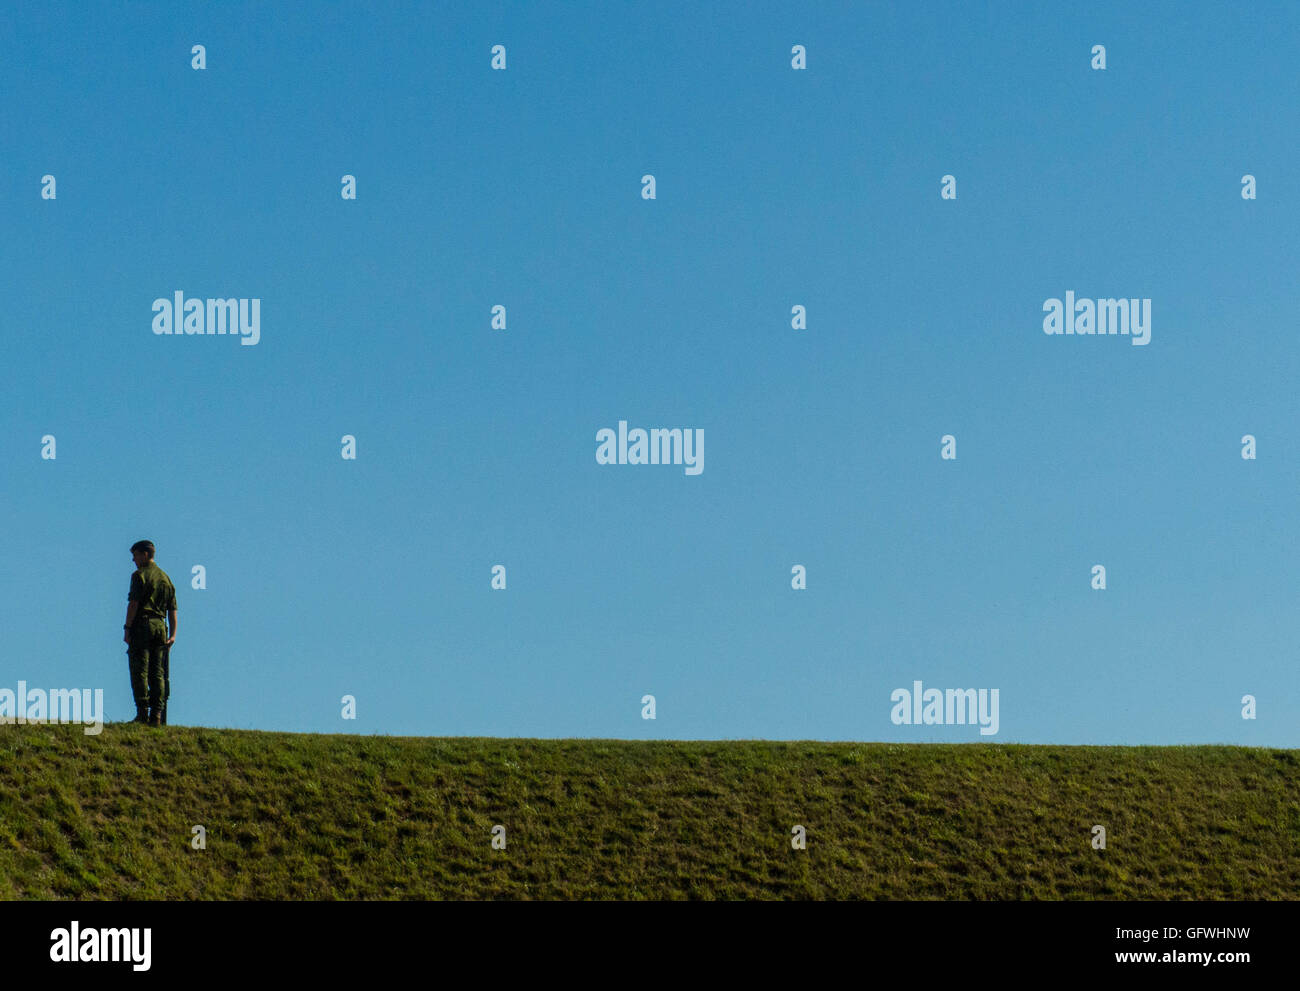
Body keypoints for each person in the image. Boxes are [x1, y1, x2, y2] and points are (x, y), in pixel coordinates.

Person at [123, 540, 178, 727]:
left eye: (136, 555)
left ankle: (142, 713)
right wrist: (173, 634)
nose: (134, 560)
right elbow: (173, 610)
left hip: (142, 626)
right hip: (161, 627)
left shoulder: (139, 576)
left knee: (140, 669)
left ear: (145, 554)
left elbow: (134, 604)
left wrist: (127, 628)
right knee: (158, 673)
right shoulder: (166, 579)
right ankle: (157, 714)